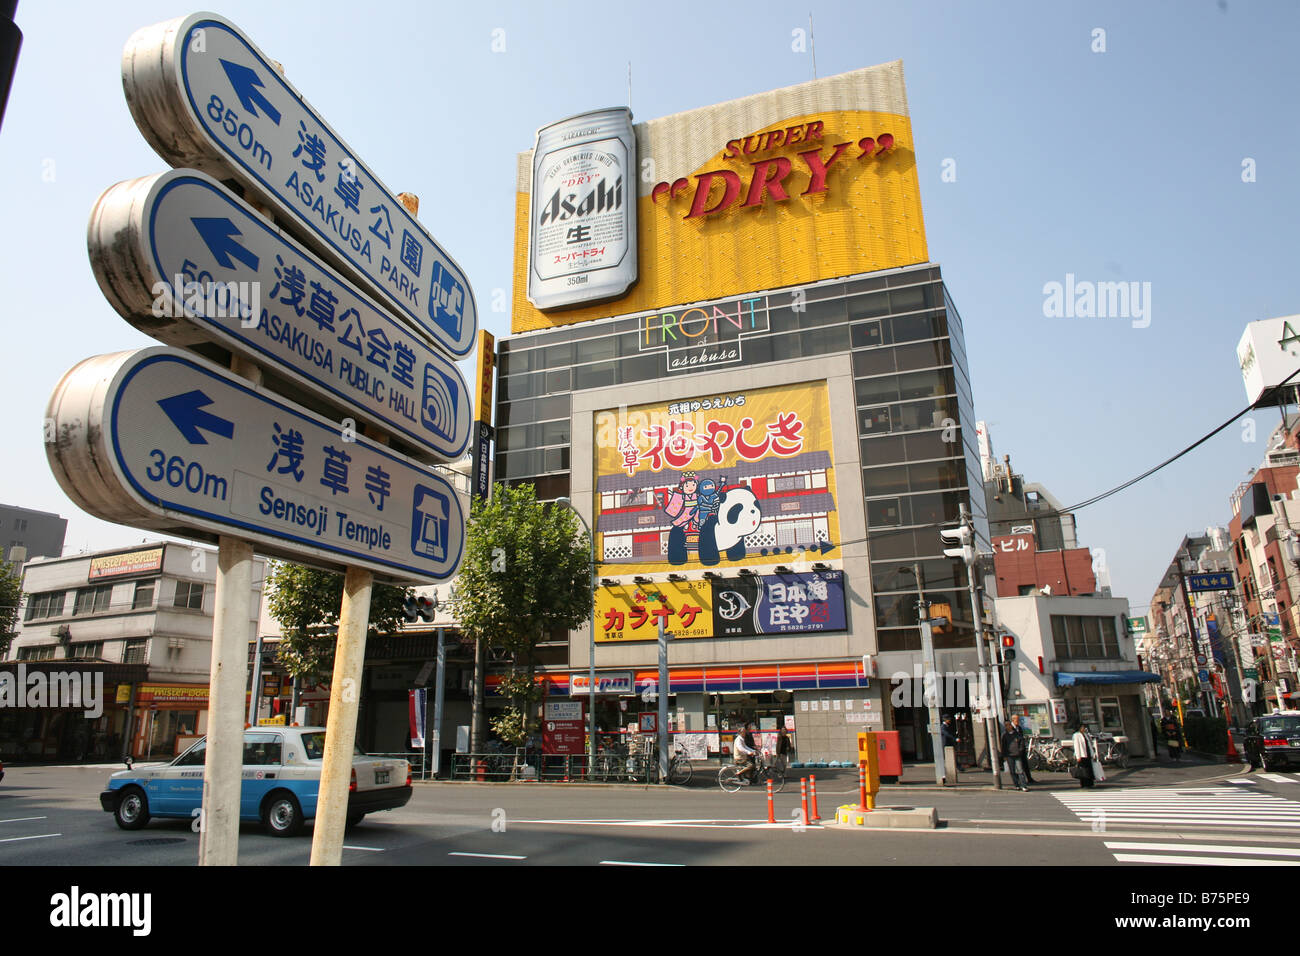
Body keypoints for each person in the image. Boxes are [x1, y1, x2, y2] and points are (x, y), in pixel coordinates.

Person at [1001, 719, 1029, 790]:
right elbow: (1003, 746)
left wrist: (1020, 751)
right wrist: (1004, 756)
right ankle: (1017, 785)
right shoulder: (1005, 735)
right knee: (1012, 771)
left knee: (1020, 770)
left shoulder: (1017, 734)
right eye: (1006, 725)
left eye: (1009, 725)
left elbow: (1021, 743)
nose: (1008, 726)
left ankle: (1023, 785)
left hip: (1017, 754)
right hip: (1009, 755)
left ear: (1011, 725)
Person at [1072, 722, 1099, 788]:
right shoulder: (1076, 735)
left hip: (1088, 754)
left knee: (1089, 769)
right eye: (1082, 727)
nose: (1084, 728)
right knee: (1083, 770)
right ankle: (1084, 783)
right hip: (1082, 755)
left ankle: (1090, 783)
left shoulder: (1085, 734)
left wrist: (1093, 754)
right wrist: (1078, 756)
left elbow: (1089, 745)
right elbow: (1076, 746)